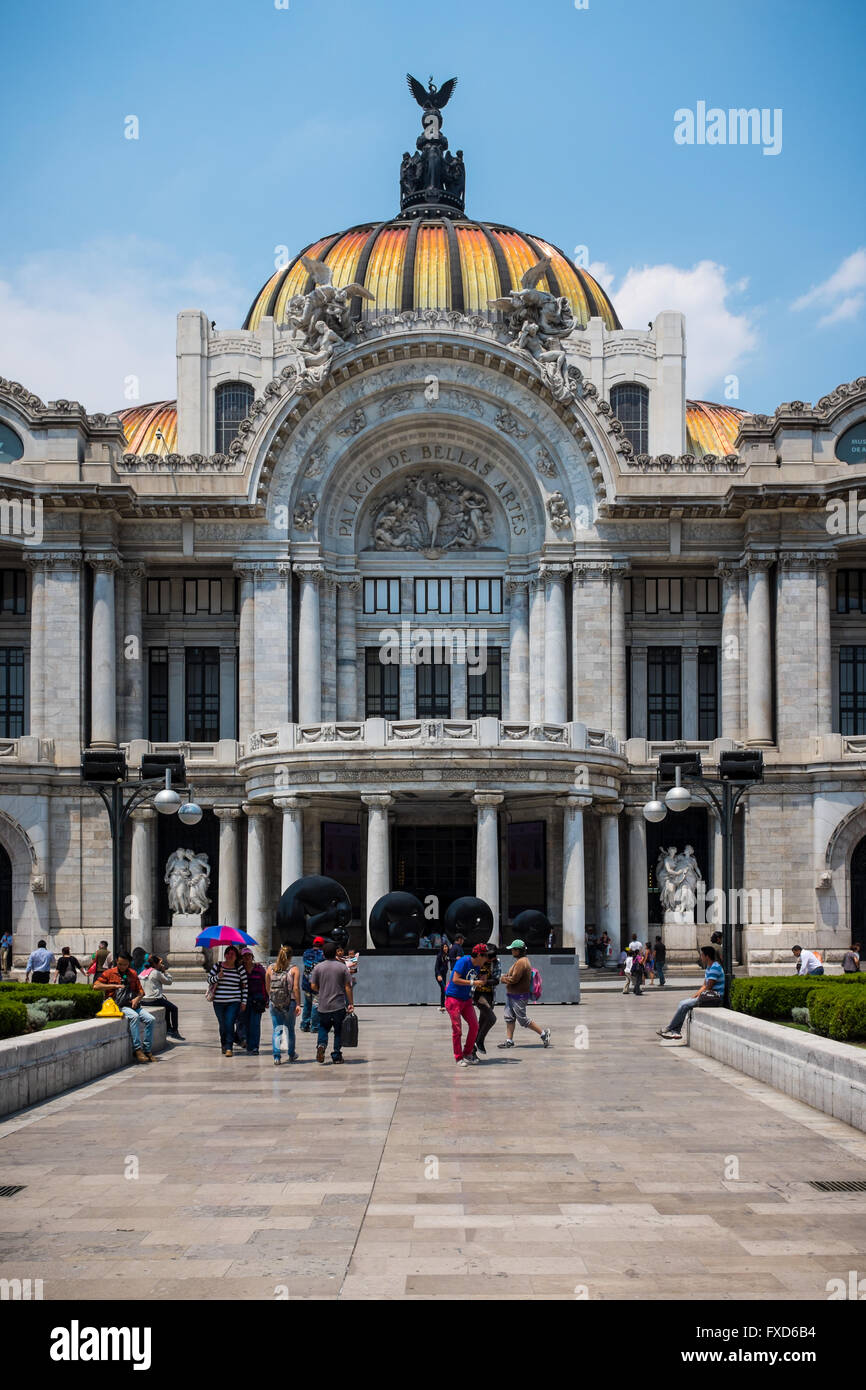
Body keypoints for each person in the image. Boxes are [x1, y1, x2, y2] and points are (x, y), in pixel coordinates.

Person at [93, 951, 157, 1063]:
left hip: (132, 1004)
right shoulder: (109, 973)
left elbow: (140, 991)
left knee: (151, 1019)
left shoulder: (133, 973)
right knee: (134, 1017)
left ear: (129, 963)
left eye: (125, 964)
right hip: (118, 1005)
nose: (122, 967)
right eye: (120, 964)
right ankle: (137, 1049)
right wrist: (114, 986)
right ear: (116, 961)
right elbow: (96, 986)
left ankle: (147, 1050)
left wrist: (137, 999)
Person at [657, 946, 725, 1040]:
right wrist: (694, 996)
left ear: (707, 956)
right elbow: (704, 986)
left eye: (702, 955)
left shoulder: (715, 967)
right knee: (682, 1003)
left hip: (714, 998)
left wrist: (697, 997)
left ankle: (670, 1028)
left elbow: (708, 987)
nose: (700, 957)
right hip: (707, 996)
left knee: (684, 1005)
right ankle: (676, 1032)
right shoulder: (709, 967)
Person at [497, 940, 551, 1049]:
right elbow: (513, 976)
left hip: (519, 995)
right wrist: (506, 976)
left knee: (522, 1020)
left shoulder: (522, 962)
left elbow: (514, 979)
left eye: (513, 949)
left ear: (518, 950)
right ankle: (509, 1040)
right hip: (512, 994)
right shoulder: (521, 961)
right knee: (509, 1017)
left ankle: (543, 1034)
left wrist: (501, 979)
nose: (511, 951)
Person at [310, 940, 354, 1064]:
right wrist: (351, 1003)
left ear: (323, 954)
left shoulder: (318, 967)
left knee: (323, 1027)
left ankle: (321, 1045)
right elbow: (348, 987)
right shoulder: (342, 967)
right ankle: (336, 1055)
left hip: (323, 1005)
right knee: (338, 1030)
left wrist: (322, 990)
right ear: (335, 953)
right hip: (338, 1005)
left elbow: (313, 986)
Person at [445, 941, 484, 1066]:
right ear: (479, 955)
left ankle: (467, 1053)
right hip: (453, 999)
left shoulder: (478, 966)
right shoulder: (463, 961)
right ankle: (458, 1057)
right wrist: (473, 983)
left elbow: (476, 978)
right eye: (485, 957)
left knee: (475, 1025)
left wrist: (481, 980)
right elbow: (455, 979)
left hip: (466, 999)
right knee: (457, 1029)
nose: (486, 960)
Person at [206, 945, 248, 1056]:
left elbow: (245, 986)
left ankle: (229, 1047)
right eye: (228, 953)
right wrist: (218, 977)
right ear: (225, 955)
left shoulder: (239, 969)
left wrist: (244, 1001)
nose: (230, 956)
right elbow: (209, 979)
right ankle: (224, 1044)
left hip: (234, 1001)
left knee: (229, 1023)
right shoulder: (218, 966)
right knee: (223, 1025)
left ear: (236, 957)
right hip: (218, 1002)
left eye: (232, 954)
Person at [266, 946, 301, 1065]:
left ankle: (276, 1057)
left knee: (277, 1029)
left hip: (274, 1003)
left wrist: (272, 998)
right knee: (290, 1029)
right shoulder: (294, 969)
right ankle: (291, 1054)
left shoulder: (270, 968)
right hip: (290, 1002)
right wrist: (298, 1004)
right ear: (291, 956)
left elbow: (267, 986)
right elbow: (295, 988)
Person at [140, 955, 185, 1039]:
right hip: (154, 1000)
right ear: (156, 964)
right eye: (160, 963)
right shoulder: (156, 972)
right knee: (174, 1008)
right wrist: (164, 971)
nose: (161, 965)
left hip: (143, 1000)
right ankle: (175, 1031)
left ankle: (168, 1028)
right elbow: (169, 981)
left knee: (167, 1006)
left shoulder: (143, 972)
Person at [237, 948, 268, 1054]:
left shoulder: (259, 968)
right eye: (244, 956)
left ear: (252, 957)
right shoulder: (239, 969)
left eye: (249, 955)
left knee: (255, 1024)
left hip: (257, 999)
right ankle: (247, 1043)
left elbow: (266, 982)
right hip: (243, 999)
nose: (247, 957)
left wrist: (267, 998)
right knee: (243, 1022)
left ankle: (255, 1047)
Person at [472, 943, 501, 1055]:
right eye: (489, 958)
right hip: (478, 994)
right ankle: (479, 1041)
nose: (490, 960)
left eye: (493, 958)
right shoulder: (478, 961)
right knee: (491, 1018)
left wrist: (484, 982)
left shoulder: (496, 962)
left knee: (482, 1022)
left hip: (489, 995)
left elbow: (496, 980)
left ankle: (472, 1051)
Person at [301, 936, 325, 1032]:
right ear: (322, 945)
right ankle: (315, 1026)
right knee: (316, 1005)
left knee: (307, 1004)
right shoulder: (323, 955)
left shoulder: (306, 953)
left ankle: (305, 1024)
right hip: (317, 984)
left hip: (306, 983)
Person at [434, 940, 450, 1012]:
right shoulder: (439, 956)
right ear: (442, 948)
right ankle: (443, 1005)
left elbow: (451, 959)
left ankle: (443, 1006)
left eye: (446, 947)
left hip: (444, 975)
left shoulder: (446, 955)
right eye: (444, 947)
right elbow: (436, 967)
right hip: (439, 975)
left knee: (443, 990)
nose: (446, 948)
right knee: (444, 989)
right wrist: (438, 975)